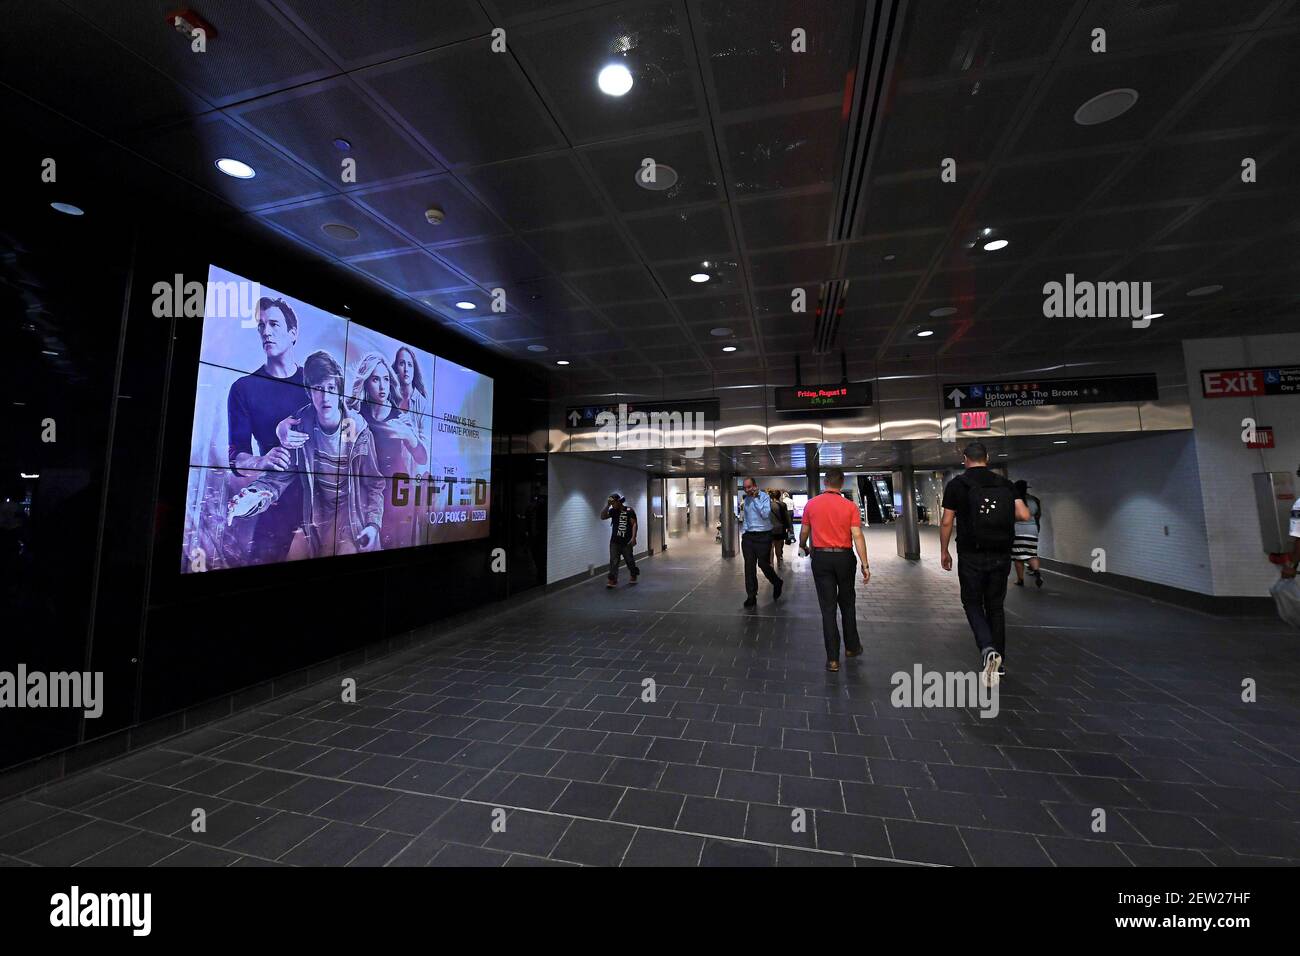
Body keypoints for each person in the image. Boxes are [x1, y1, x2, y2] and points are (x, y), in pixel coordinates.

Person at [227, 350, 385, 560]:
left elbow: (374, 484)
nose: (326, 396)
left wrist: (373, 524)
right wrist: (255, 495)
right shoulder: (301, 426)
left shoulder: (359, 430)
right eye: (318, 389)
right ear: (309, 393)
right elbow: (277, 479)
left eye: (331, 388)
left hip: (352, 514)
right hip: (317, 516)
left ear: (339, 392)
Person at [939, 443, 1031, 687]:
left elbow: (947, 521)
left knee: (971, 602)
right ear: (987, 458)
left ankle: (987, 648)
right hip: (1001, 553)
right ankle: (999, 665)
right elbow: (1024, 515)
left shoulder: (957, 485)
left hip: (971, 553)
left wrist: (944, 551)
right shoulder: (1005, 483)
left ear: (965, 459)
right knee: (996, 607)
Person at [225, 296, 307, 565]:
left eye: (274, 324)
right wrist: (261, 461)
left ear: (293, 334)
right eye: (261, 326)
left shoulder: (316, 383)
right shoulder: (244, 388)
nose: (266, 331)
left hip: (324, 494)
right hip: (276, 498)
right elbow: (237, 456)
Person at [348, 351, 428, 551]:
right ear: (366, 382)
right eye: (376, 379)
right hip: (365, 498)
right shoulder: (357, 415)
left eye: (386, 379)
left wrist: (410, 436)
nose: (382, 386)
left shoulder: (399, 418)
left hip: (396, 499)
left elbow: (422, 457)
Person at [799, 468, 871, 672]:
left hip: (821, 558)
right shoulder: (850, 506)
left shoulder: (811, 504)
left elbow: (804, 530)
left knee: (827, 608)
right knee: (847, 603)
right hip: (844, 557)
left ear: (825, 482)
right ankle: (852, 647)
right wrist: (865, 564)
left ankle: (832, 659)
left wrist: (803, 545)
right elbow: (857, 535)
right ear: (842, 483)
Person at [739, 477, 782, 608]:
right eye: (745, 488)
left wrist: (756, 499)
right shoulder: (746, 500)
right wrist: (745, 531)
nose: (747, 490)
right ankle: (751, 596)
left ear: (755, 486)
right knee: (749, 566)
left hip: (763, 536)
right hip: (749, 537)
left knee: (763, 564)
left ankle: (777, 582)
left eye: (749, 487)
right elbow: (746, 517)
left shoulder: (764, 497)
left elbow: (764, 514)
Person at [601, 493, 639, 588]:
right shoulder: (613, 511)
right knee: (614, 561)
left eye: (614, 502)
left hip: (626, 542)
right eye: (612, 503)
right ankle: (613, 579)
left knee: (629, 560)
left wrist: (634, 537)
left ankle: (633, 574)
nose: (613, 505)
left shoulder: (629, 510)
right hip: (614, 542)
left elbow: (634, 524)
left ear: (619, 501)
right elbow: (603, 516)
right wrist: (607, 505)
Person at [1011, 479, 1043, 588]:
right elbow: (1038, 515)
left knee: (1018, 557)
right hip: (1032, 529)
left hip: (1018, 530)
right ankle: (1037, 571)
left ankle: (1020, 580)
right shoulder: (1034, 500)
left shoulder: (1014, 500)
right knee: (1032, 553)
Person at [769, 489, 793, 568]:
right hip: (780, 528)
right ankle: (779, 563)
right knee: (778, 547)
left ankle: (771, 563)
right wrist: (789, 528)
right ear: (779, 496)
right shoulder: (783, 504)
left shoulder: (768, 504)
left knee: (771, 547)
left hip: (770, 529)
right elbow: (787, 517)